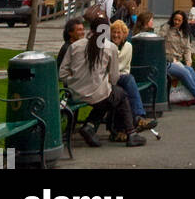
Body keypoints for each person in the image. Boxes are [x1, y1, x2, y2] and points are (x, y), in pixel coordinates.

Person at [58, 14, 145, 147]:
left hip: (74, 93)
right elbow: (115, 78)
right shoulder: (110, 48)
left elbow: (62, 73)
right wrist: (104, 81)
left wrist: (74, 81)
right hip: (97, 94)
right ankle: (131, 133)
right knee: (119, 95)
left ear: (90, 29)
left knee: (110, 95)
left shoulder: (75, 46)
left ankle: (90, 126)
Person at [109, 19, 156, 132]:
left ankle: (136, 119)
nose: (116, 35)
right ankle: (139, 117)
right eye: (114, 32)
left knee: (127, 81)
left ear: (124, 34)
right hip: (110, 78)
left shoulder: (128, 46)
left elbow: (120, 65)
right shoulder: (108, 46)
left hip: (121, 76)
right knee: (129, 80)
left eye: (119, 32)